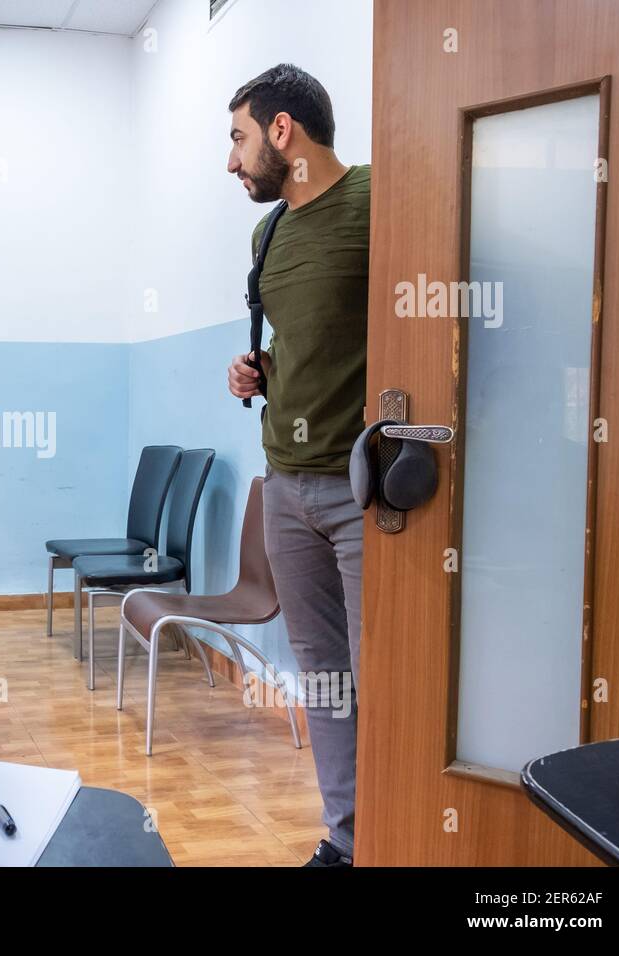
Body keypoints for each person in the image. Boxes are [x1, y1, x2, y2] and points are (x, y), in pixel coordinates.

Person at [225, 64, 370, 868]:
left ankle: (409, 829)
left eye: (239, 138)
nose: (233, 160)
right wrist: (258, 369)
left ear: (283, 132)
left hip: (366, 489)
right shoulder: (268, 232)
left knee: (384, 671)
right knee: (322, 677)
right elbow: (296, 341)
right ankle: (347, 840)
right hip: (286, 485)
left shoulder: (382, 199)